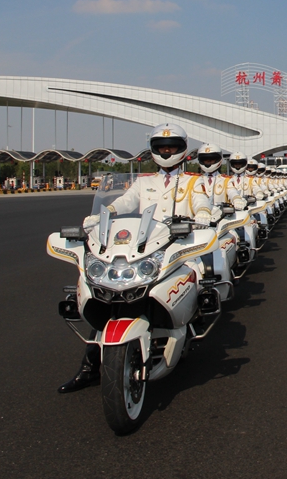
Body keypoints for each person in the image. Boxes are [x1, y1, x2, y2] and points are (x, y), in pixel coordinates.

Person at [63, 123, 211, 394]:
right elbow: (124, 203)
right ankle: (89, 368)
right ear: (153, 150)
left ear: (183, 150)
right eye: (162, 147)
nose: (167, 151)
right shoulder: (143, 182)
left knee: (195, 281)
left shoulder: (193, 180)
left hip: (177, 247)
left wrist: (202, 214)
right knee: (108, 294)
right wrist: (102, 214)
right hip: (144, 248)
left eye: (173, 147)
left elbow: (202, 202)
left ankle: (188, 322)